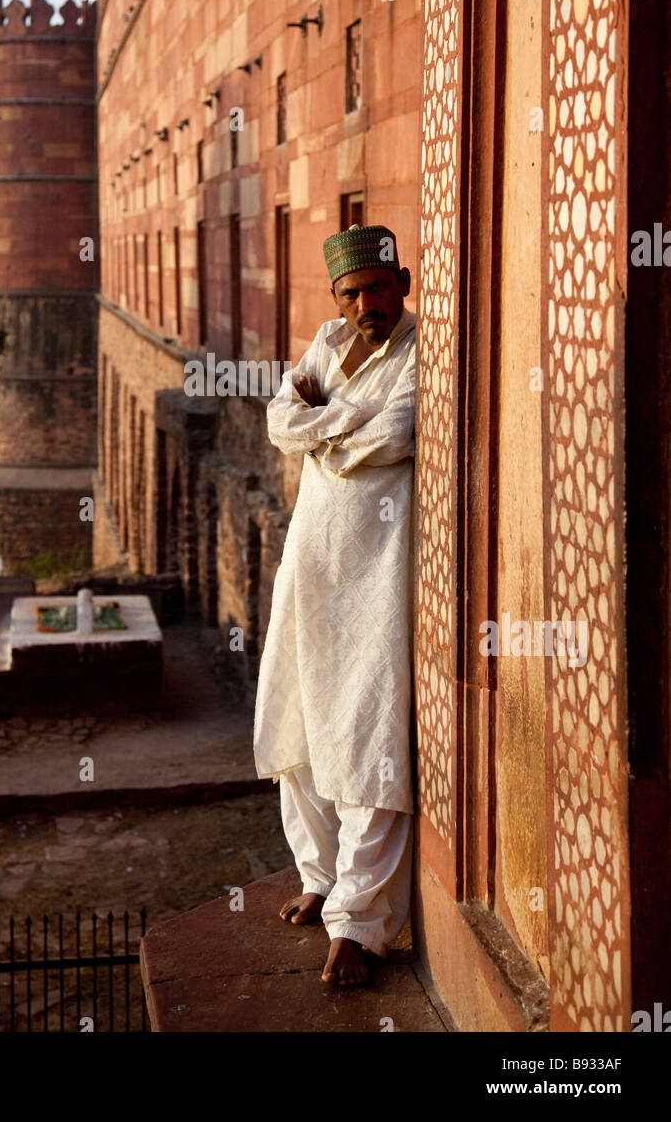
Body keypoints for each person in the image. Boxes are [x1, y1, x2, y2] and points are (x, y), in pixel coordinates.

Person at [253, 223, 416, 986]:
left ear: (401, 285)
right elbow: (280, 422)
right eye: (351, 293)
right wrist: (334, 421)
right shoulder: (324, 341)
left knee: (366, 730)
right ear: (337, 298)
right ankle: (319, 877)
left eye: (377, 289)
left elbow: (389, 439)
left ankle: (358, 924)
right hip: (309, 566)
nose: (364, 304)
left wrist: (330, 423)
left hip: (376, 576)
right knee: (294, 719)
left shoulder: (420, 354)